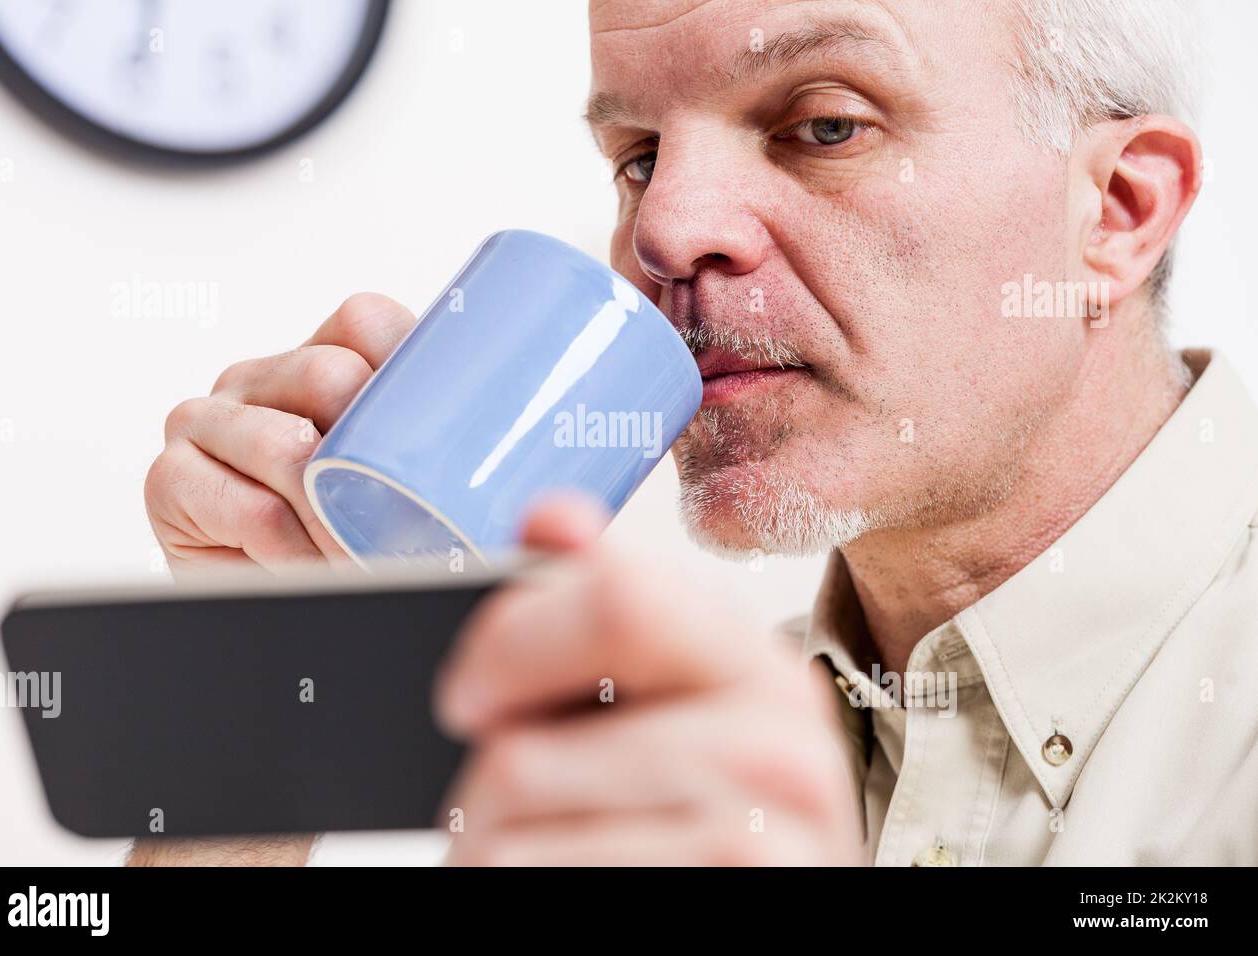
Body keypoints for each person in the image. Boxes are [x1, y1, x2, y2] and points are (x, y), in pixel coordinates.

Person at [133, 0, 1258, 866]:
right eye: (637, 156)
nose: (662, 230)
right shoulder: (654, 764)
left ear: (1114, 212)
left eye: (824, 124)